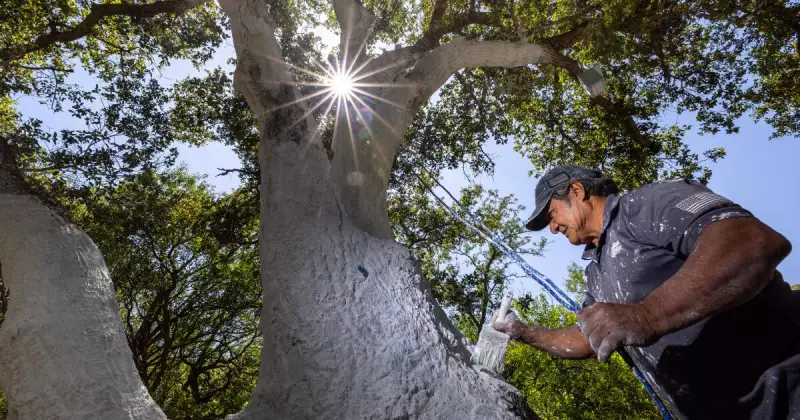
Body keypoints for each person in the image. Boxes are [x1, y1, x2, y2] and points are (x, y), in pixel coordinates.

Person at [492, 165, 800, 419]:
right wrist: (523, 332)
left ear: (576, 191)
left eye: (551, 214)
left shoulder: (642, 206)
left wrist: (648, 315)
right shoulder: (596, 274)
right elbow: (587, 338)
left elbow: (750, 242)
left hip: (788, 392)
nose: (552, 228)